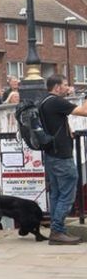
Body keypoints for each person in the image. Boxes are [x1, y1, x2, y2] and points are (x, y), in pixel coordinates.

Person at [38, 75, 87, 245]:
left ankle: (57, 229)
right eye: (65, 85)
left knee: (57, 194)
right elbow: (84, 112)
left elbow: (56, 123)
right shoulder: (56, 101)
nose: (68, 88)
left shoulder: (44, 101)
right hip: (61, 156)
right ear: (57, 87)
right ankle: (57, 231)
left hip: (51, 155)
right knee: (67, 194)